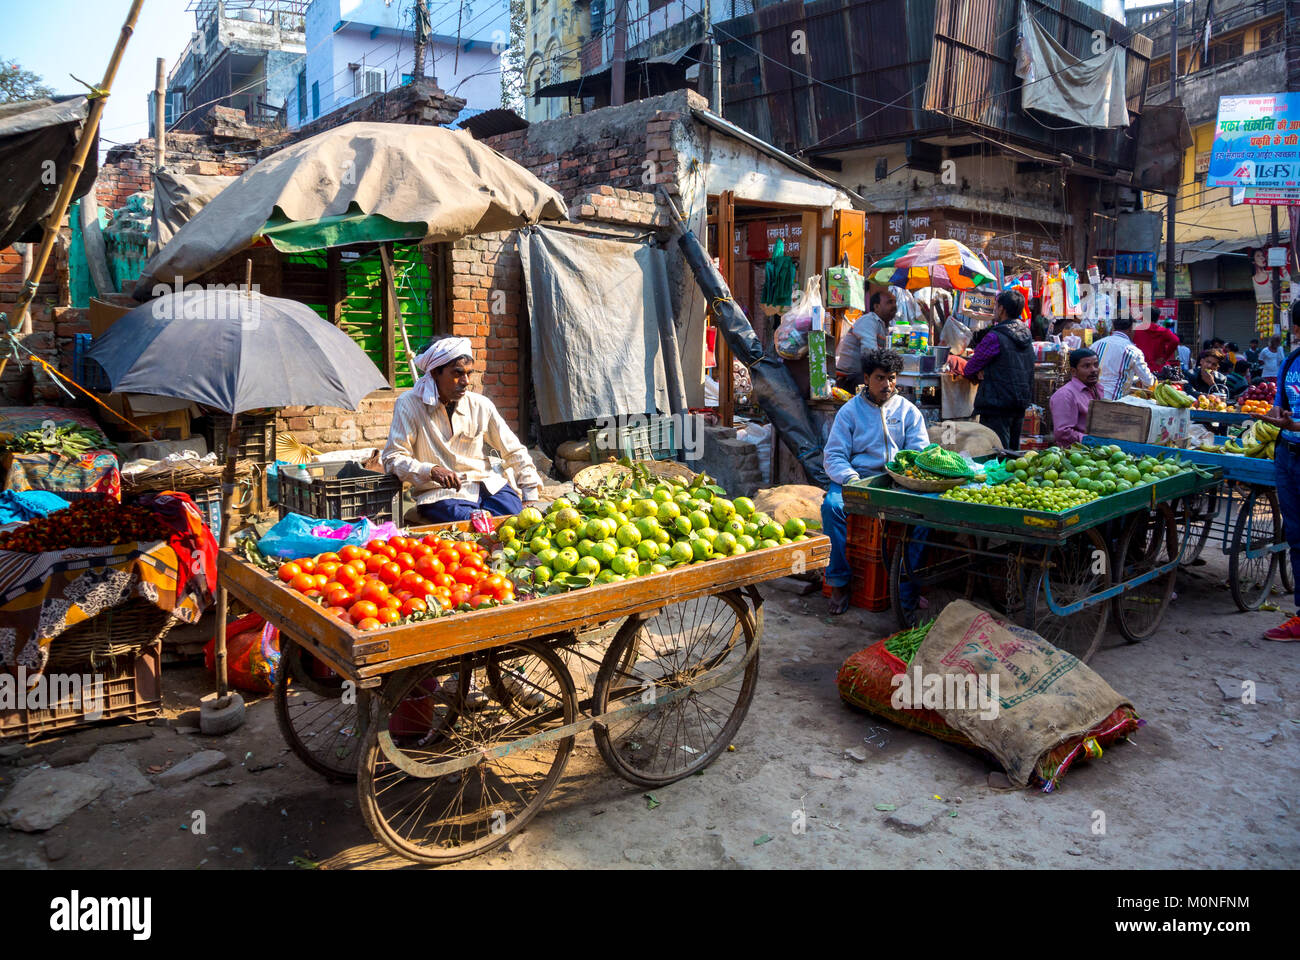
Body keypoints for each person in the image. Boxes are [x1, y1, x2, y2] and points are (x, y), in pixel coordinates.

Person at [381, 336, 543, 523]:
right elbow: (392, 458)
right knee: (473, 525)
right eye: (458, 373)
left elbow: (513, 450)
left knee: (515, 520)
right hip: (442, 494)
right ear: (435, 372)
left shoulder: (480, 405)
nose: (466, 381)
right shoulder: (409, 404)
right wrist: (431, 470)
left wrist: (530, 493)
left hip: (488, 485)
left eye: (469, 373)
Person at [822, 349, 929, 615]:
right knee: (831, 507)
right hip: (855, 479)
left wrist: (905, 475)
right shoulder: (849, 412)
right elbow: (834, 456)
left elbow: (919, 453)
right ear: (867, 378)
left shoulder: (908, 411)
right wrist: (852, 479)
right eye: (880, 378)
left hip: (896, 481)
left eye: (891, 378)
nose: (887, 384)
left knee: (926, 516)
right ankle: (839, 581)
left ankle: (908, 587)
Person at [1260, 341, 1300, 640]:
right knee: (1296, 537)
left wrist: (1296, 426)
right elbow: (1280, 404)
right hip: (1287, 454)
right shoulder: (1291, 362)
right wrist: (1275, 417)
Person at [963, 289, 1035, 450]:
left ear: (1002, 309)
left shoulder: (995, 336)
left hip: (996, 405)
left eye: (996, 306)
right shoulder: (1027, 335)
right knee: (1013, 455)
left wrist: (981, 371)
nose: (994, 310)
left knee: (996, 452)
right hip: (1019, 403)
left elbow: (970, 369)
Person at [834, 288, 896, 391]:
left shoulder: (884, 325)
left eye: (894, 302)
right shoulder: (868, 321)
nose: (894, 306)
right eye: (890, 302)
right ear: (876, 306)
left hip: (862, 375)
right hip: (849, 379)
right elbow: (870, 354)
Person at [1092, 315, 1156, 401]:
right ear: (1130, 329)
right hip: (1113, 401)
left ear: (1114, 327)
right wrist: (1154, 380)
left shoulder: (1096, 344)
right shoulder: (1133, 351)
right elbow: (1148, 381)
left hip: (1092, 397)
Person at [1049, 349, 1101, 446]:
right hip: (1075, 452)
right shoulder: (1065, 395)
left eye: (1096, 365)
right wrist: (1089, 440)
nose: (1093, 370)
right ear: (1073, 371)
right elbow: (1062, 432)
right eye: (1086, 366)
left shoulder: (1096, 389)